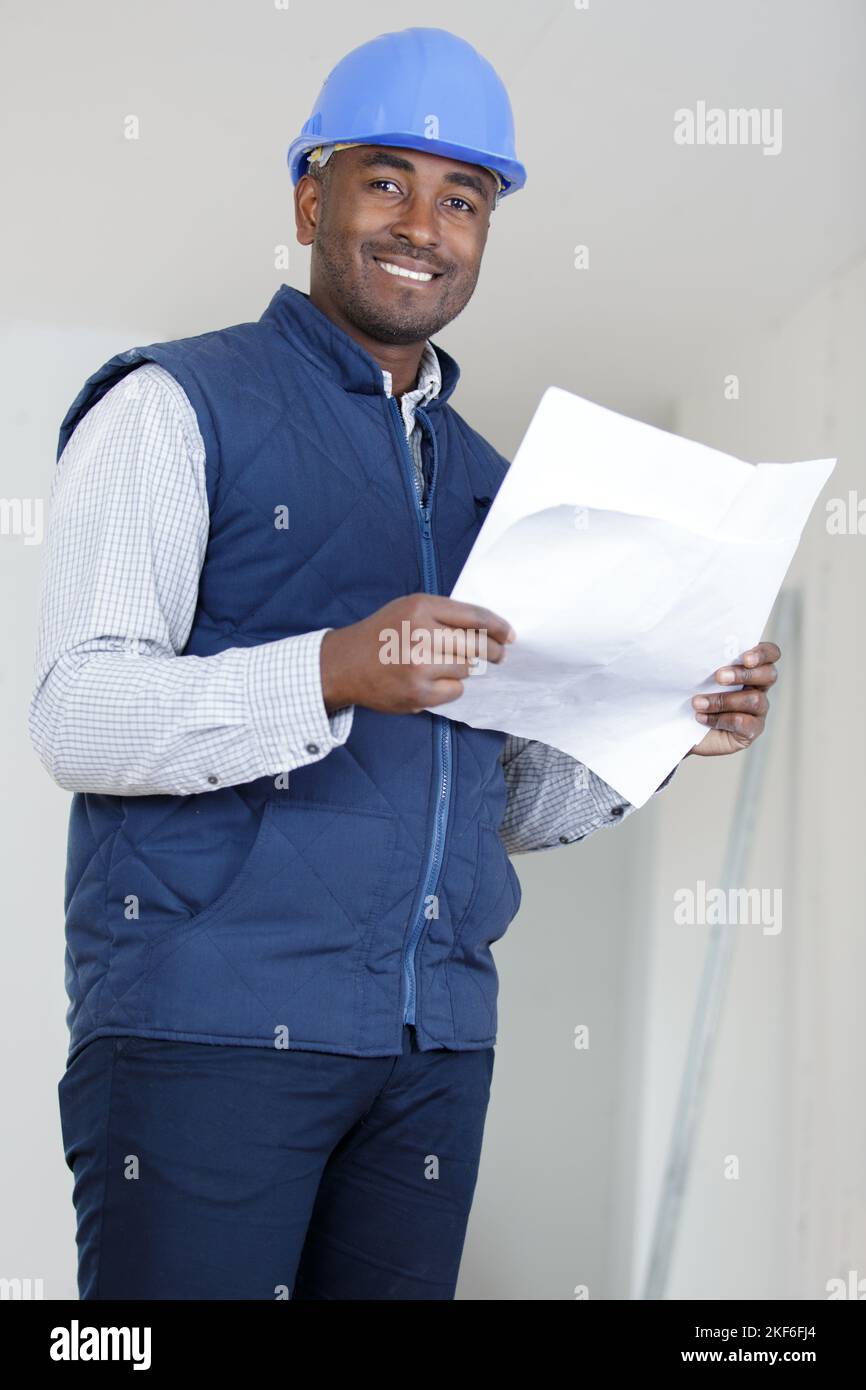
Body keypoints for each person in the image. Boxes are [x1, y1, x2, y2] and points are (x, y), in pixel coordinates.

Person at [29, 26, 779, 1300]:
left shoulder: (504, 490)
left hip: (431, 1046)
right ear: (310, 196)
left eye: (462, 199)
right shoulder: (173, 405)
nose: (422, 225)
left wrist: (661, 730)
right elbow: (79, 712)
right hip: (204, 1031)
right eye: (387, 181)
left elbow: (490, 804)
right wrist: (332, 667)